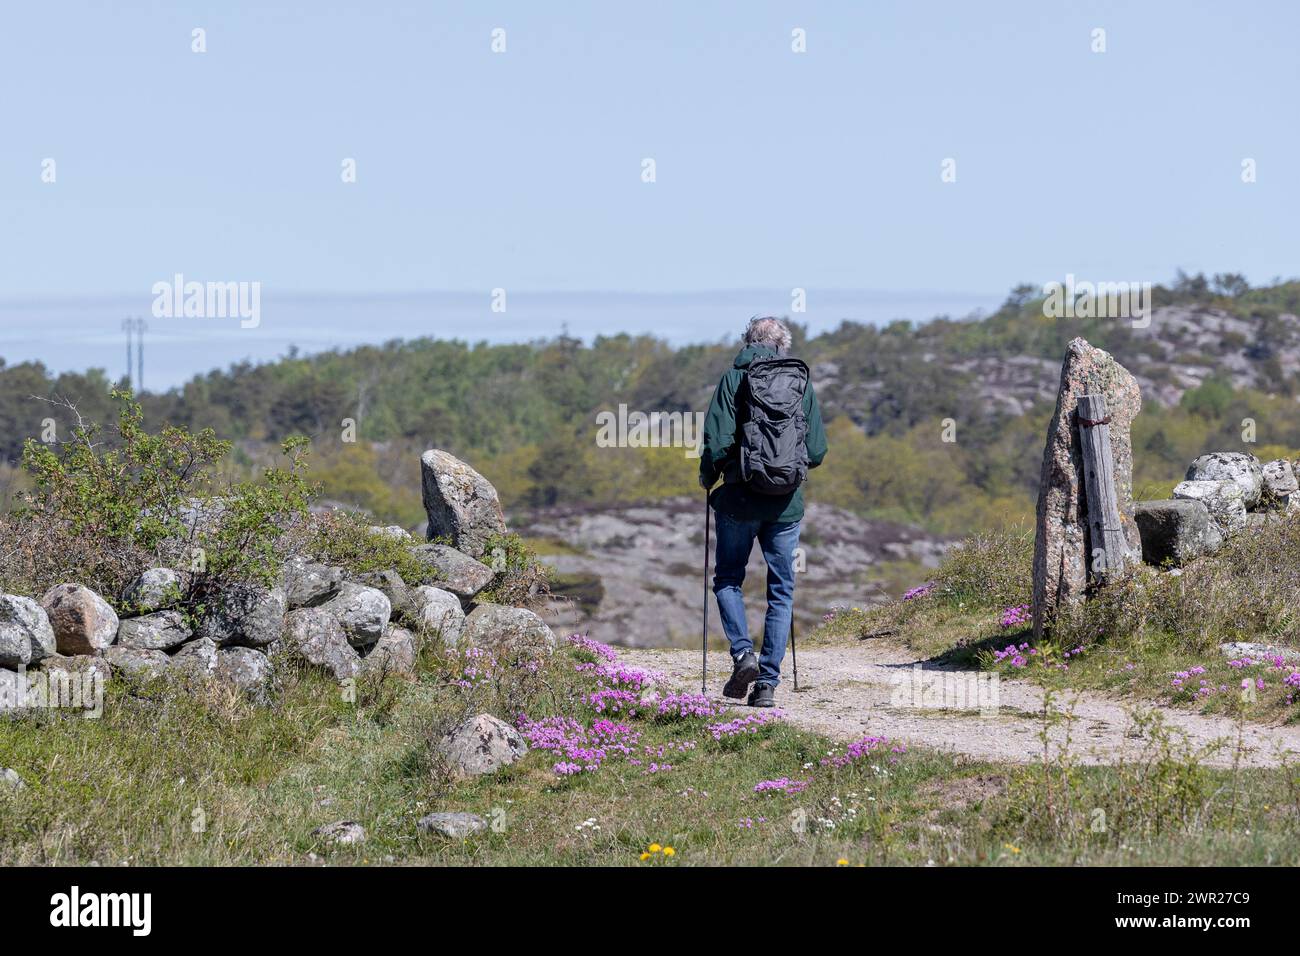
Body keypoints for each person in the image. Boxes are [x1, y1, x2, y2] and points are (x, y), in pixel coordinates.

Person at [698, 316, 827, 707]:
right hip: (785, 506)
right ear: (781, 345)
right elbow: (817, 451)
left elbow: (717, 443)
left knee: (728, 580)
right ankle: (767, 685)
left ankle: (743, 655)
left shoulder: (733, 379)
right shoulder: (799, 382)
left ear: (747, 342)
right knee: (781, 592)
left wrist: (709, 478)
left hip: (738, 499)